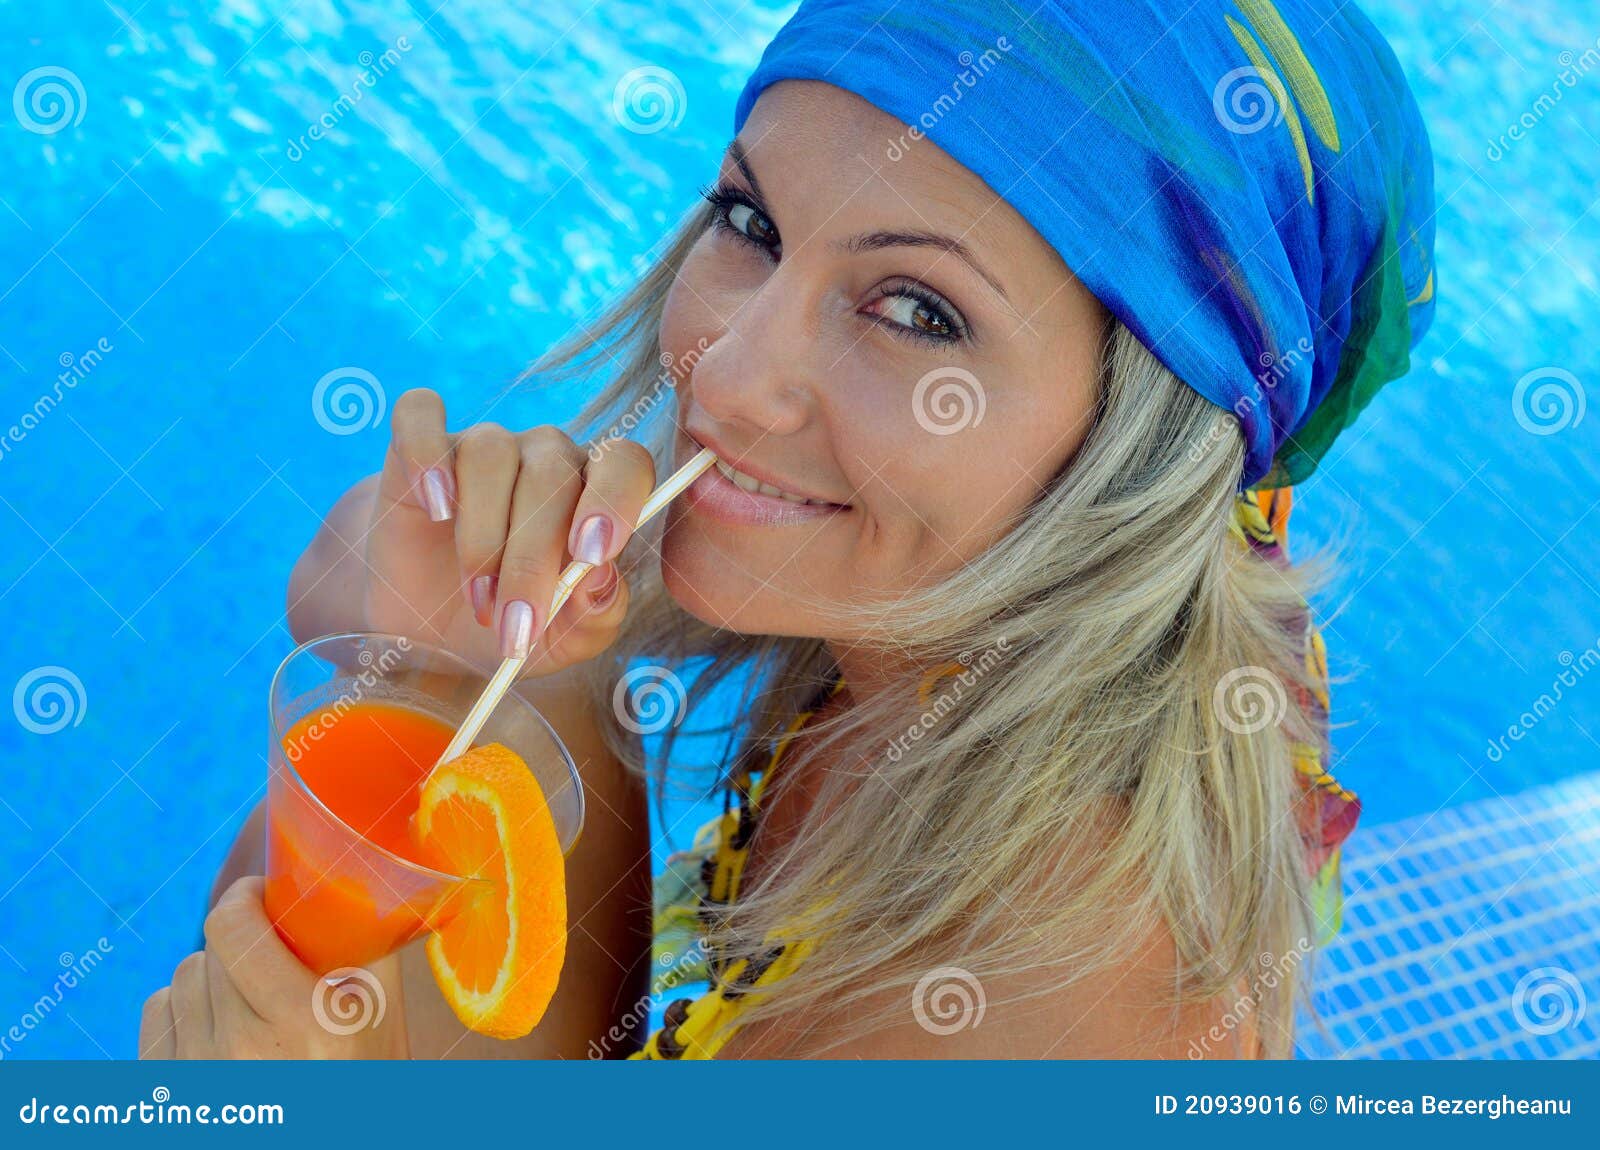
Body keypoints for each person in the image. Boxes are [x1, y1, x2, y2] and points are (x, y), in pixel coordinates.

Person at [142, 0, 1433, 1059]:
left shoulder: (1031, 1006)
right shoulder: (986, 605)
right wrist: (485, 640)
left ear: (1141, 448)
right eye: (753, 224)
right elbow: (341, 573)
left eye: (918, 312)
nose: (726, 375)